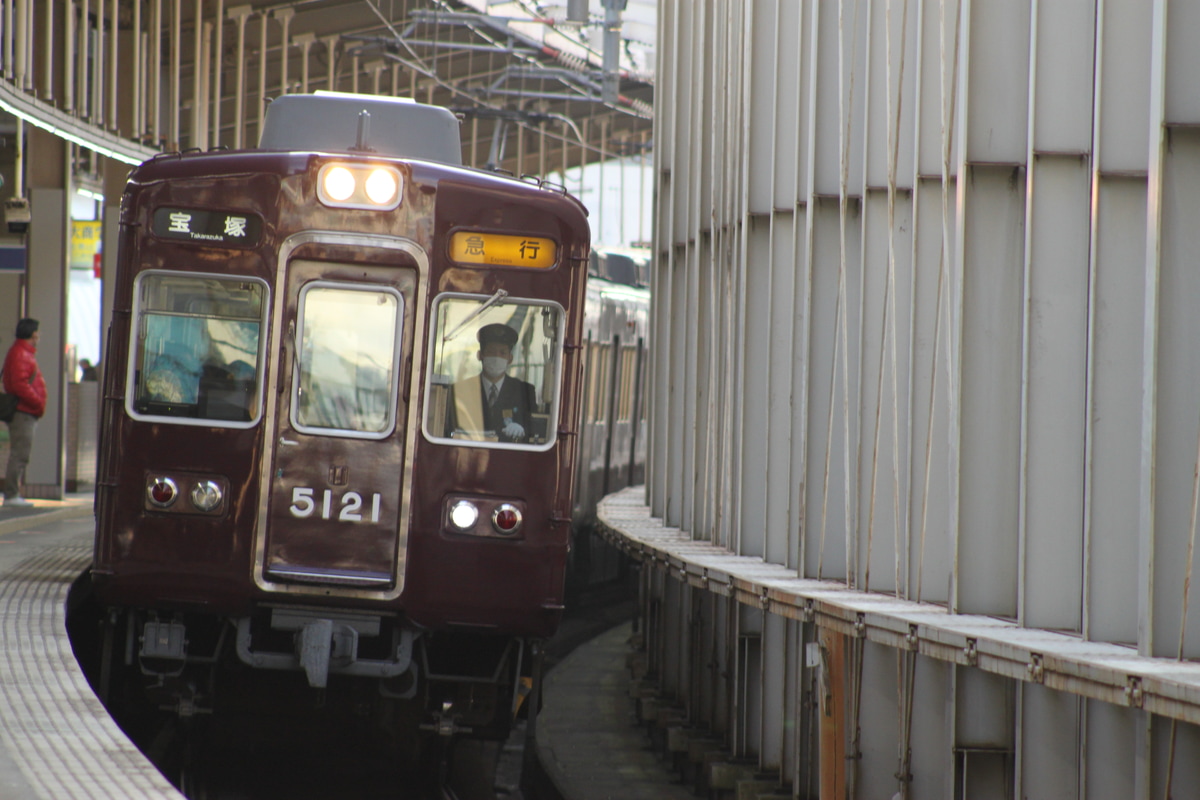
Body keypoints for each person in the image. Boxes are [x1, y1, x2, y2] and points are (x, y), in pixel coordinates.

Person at [445, 323, 536, 443]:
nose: (496, 357)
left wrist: (521, 431)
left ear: (510, 358)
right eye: (491, 351)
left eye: (502, 353)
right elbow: (448, 430)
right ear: (480, 355)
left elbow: (533, 433)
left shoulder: (525, 391)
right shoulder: (460, 390)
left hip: (509, 457)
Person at [2, 318, 47, 508]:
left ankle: (13, 493)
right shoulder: (21, 354)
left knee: (21, 453)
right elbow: (19, 384)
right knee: (20, 454)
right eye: (38, 332)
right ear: (33, 333)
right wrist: (37, 401)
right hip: (23, 411)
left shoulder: (21, 352)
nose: (39, 336)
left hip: (26, 410)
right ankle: (11, 494)